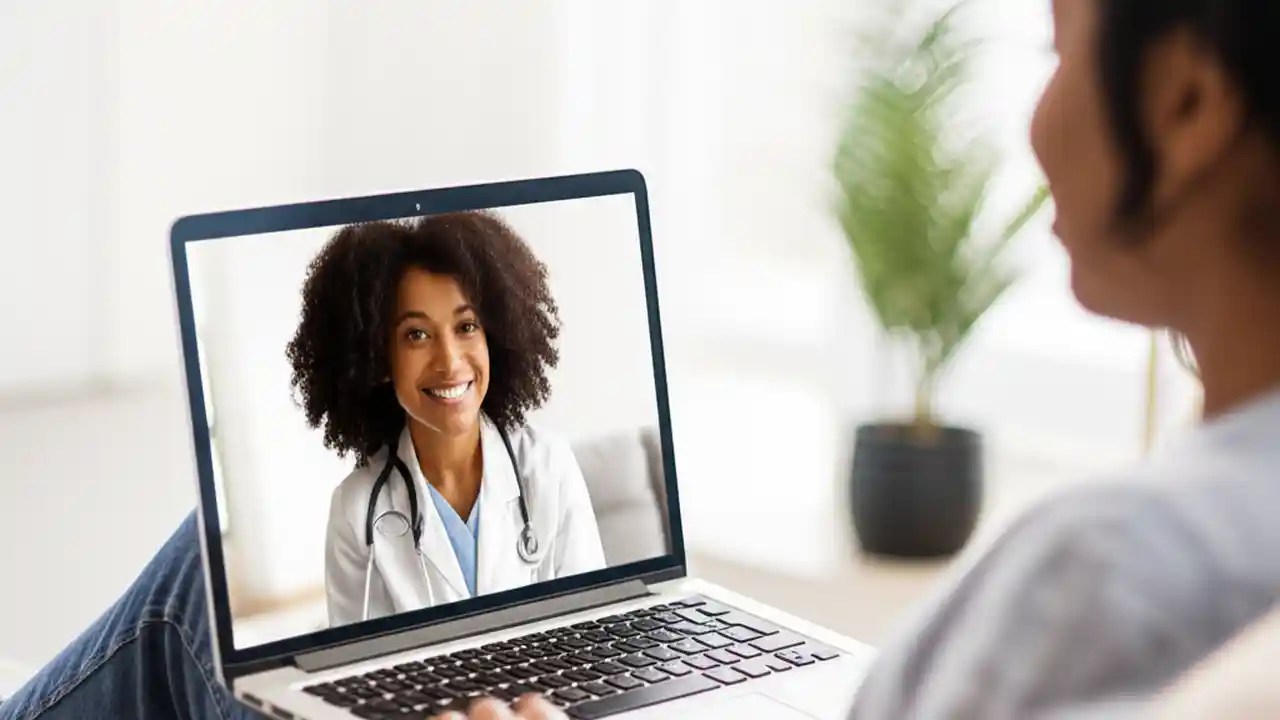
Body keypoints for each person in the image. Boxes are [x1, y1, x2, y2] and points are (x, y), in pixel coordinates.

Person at [4, 0, 1280, 717]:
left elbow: (567, 604)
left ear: (1183, 104)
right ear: (374, 364)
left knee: (198, 603)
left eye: (1056, 43)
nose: (1037, 112)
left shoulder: (1103, 567)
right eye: (410, 332)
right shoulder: (1214, 535)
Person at [284, 212, 606, 626]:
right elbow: (363, 675)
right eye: (416, 334)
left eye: (466, 326)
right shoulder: (357, 510)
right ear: (378, 358)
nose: (450, 362)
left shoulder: (547, 466)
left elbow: (596, 630)